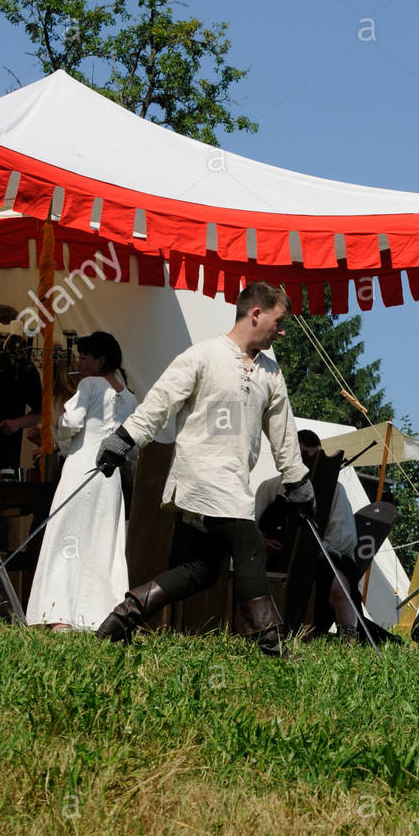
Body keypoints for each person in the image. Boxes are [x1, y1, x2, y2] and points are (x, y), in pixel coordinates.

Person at [93, 282, 312, 658]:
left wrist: (296, 479)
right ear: (256, 314)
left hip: (231, 481)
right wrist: (124, 438)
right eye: (279, 321)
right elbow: (159, 403)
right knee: (249, 549)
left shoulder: (270, 373)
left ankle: (124, 615)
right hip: (200, 478)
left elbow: (284, 431)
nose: (283, 330)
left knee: (201, 569)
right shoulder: (203, 356)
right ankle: (270, 643)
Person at [25, 333, 137, 631]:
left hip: (81, 471)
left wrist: (60, 426)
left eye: (84, 357)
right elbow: (134, 445)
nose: (80, 362)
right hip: (109, 479)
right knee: (100, 542)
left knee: (67, 537)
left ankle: (58, 613)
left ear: (101, 360)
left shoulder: (89, 385)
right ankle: (98, 616)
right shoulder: (130, 397)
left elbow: (72, 424)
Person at [255, 429, 366, 641]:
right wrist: (264, 542)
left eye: (311, 456)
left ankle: (350, 635)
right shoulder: (269, 487)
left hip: (325, 559)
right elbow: (255, 528)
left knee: (338, 587)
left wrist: (317, 552)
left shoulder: (335, 490)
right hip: (278, 559)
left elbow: (343, 536)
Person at [0, 305, 43, 549]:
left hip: (5, 461)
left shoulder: (24, 368)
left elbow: (41, 411)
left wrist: (17, 423)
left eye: (4, 337)